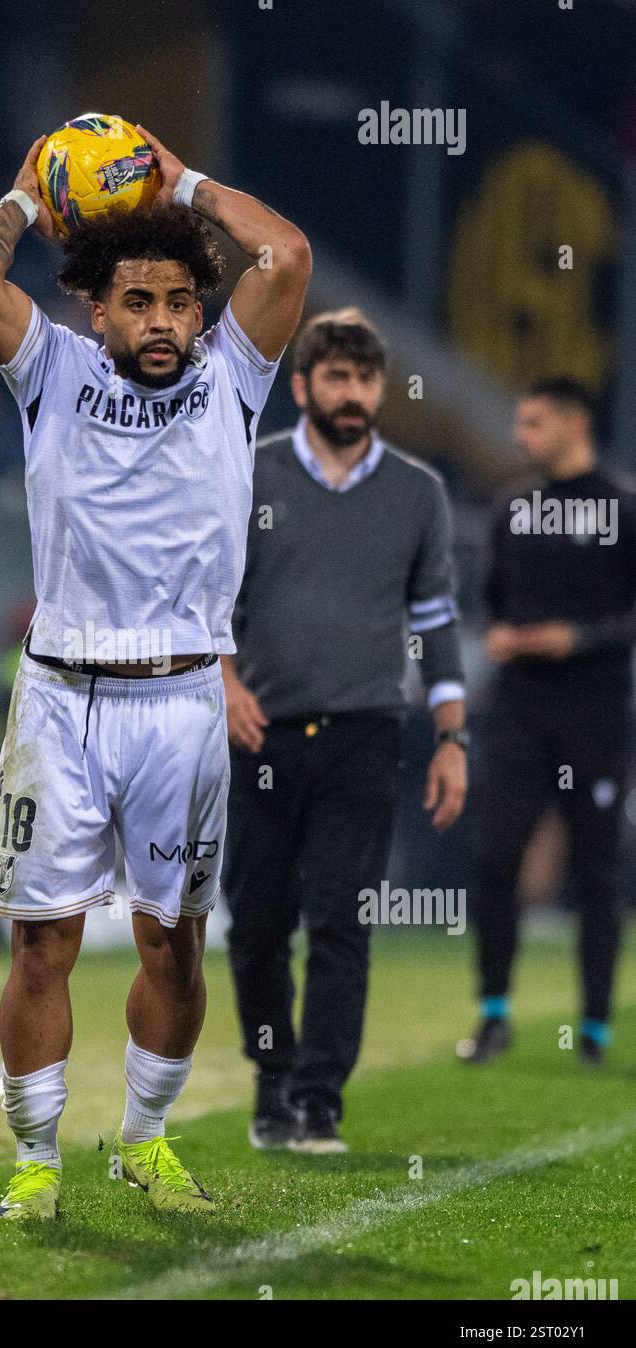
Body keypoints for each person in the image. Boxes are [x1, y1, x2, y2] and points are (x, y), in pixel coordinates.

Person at [0, 127, 311, 1219]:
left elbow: (283, 256)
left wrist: (184, 181)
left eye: (177, 301)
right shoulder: (49, 369)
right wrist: (19, 194)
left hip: (184, 701)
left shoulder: (234, 377)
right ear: (93, 310)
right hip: (61, 697)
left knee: (174, 946)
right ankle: (37, 1161)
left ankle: (144, 1140)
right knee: (43, 945)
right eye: (136, 301)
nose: (161, 321)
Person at [222, 311, 468, 1152]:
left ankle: (317, 1098)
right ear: (300, 388)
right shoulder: (244, 475)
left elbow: (435, 622)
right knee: (255, 924)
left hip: (366, 729)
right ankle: (270, 1079)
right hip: (259, 732)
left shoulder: (416, 492)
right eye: (336, 378)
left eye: (365, 380)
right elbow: (199, 594)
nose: (353, 394)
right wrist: (221, 682)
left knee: (341, 917)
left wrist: (450, 737)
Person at [462, 378, 636, 1066]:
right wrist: (505, 636)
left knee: (596, 869)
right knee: (493, 858)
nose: (519, 437)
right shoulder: (512, 509)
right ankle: (492, 1012)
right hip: (519, 713)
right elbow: (493, 604)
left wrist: (576, 638)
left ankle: (593, 1027)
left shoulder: (622, 510)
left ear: (573, 422)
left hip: (594, 713)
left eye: (532, 424)